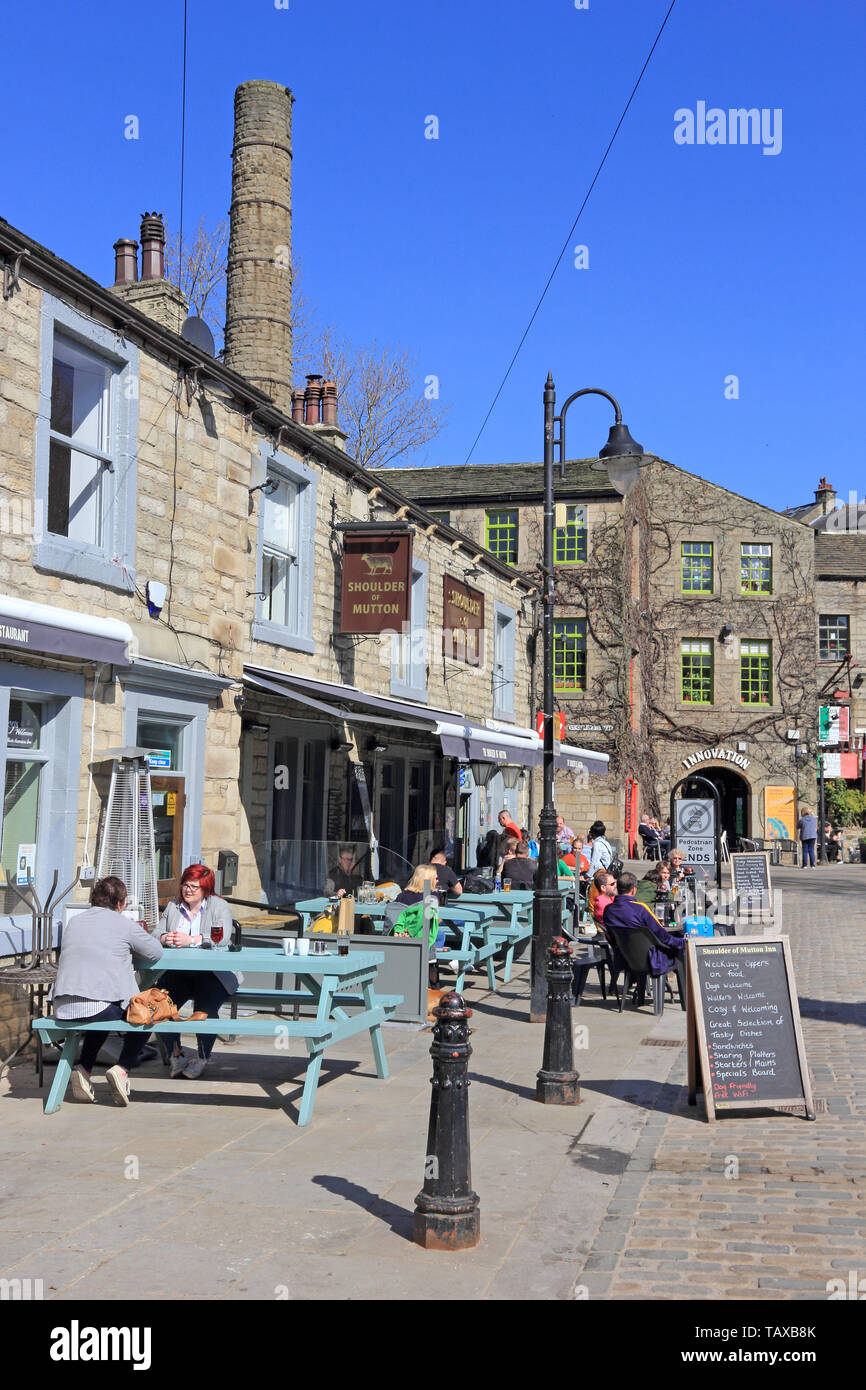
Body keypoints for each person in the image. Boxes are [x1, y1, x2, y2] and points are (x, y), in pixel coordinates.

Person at [52, 875, 163, 1106]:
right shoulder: (123, 924)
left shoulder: (76, 921)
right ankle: (122, 1070)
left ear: (94, 900)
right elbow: (155, 952)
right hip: (95, 1005)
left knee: (104, 1009)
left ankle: (84, 1069)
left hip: (62, 1005)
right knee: (149, 1012)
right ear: (121, 904)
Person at [156, 864, 238, 1080]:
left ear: (205, 888)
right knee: (157, 1003)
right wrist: (167, 938)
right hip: (180, 971)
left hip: (213, 972)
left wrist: (190, 940)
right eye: (185, 885)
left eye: (194, 886)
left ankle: (202, 1057)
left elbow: (223, 938)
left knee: (204, 1011)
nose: (188, 890)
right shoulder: (174, 906)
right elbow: (156, 934)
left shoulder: (218, 905)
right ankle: (176, 1054)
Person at [603, 872, 686, 994]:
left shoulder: (609, 910)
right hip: (650, 960)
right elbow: (662, 935)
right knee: (682, 951)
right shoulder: (640, 909)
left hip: (625, 957)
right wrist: (682, 942)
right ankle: (687, 995)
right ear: (633, 890)